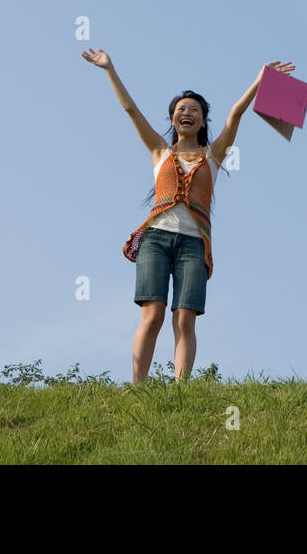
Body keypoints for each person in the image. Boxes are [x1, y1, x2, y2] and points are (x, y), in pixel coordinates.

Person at [83, 48, 294, 382]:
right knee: (151, 315)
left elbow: (236, 114)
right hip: (155, 239)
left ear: (202, 121)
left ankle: (182, 388)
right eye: (181, 110)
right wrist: (109, 68)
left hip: (194, 244)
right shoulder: (159, 152)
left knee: (184, 319)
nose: (187, 113)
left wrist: (262, 79)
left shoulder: (213, 156)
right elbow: (130, 109)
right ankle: (138, 386)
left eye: (194, 110)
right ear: (172, 120)